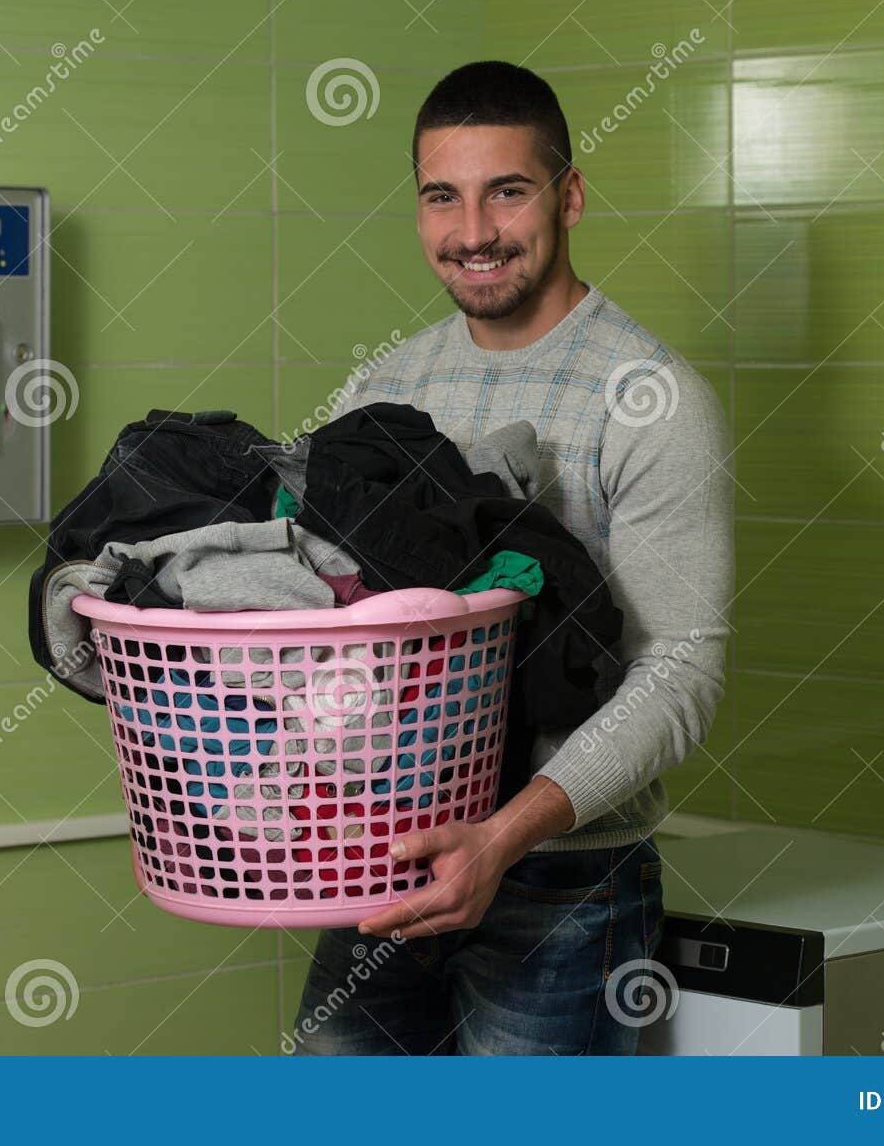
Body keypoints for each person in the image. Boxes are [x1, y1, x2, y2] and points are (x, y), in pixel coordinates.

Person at [292, 60, 733, 1055]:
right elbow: (330, 622)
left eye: (507, 191)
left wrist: (498, 839)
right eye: (442, 197)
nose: (473, 231)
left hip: (566, 882)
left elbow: (681, 675)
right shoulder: (384, 389)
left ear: (567, 195)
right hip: (385, 867)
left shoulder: (651, 401)